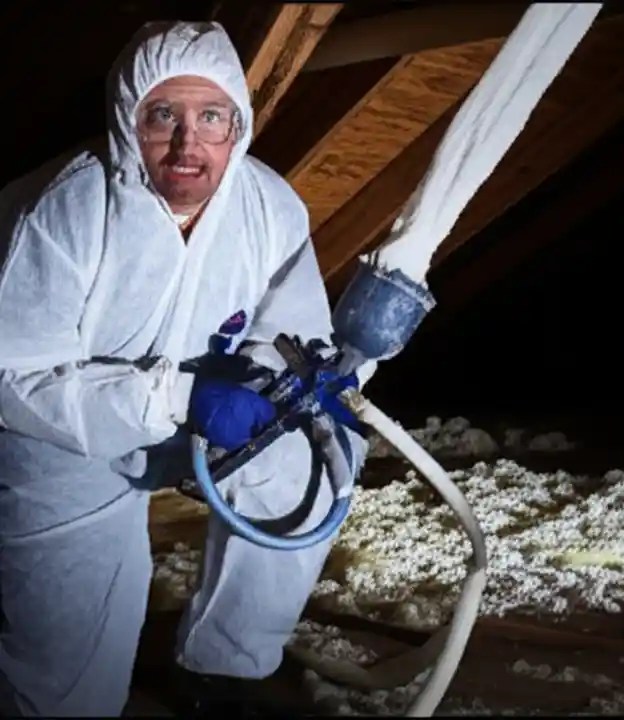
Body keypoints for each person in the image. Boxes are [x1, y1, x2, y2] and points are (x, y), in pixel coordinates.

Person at [0, 21, 367, 717]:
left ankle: (224, 670)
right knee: (68, 681)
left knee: (315, 458)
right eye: (163, 116)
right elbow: (15, 377)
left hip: (198, 422)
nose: (187, 144)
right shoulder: (66, 211)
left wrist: (281, 384)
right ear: (126, 121)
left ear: (239, 126)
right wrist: (177, 396)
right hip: (64, 447)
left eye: (211, 118)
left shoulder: (267, 206)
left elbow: (291, 330)